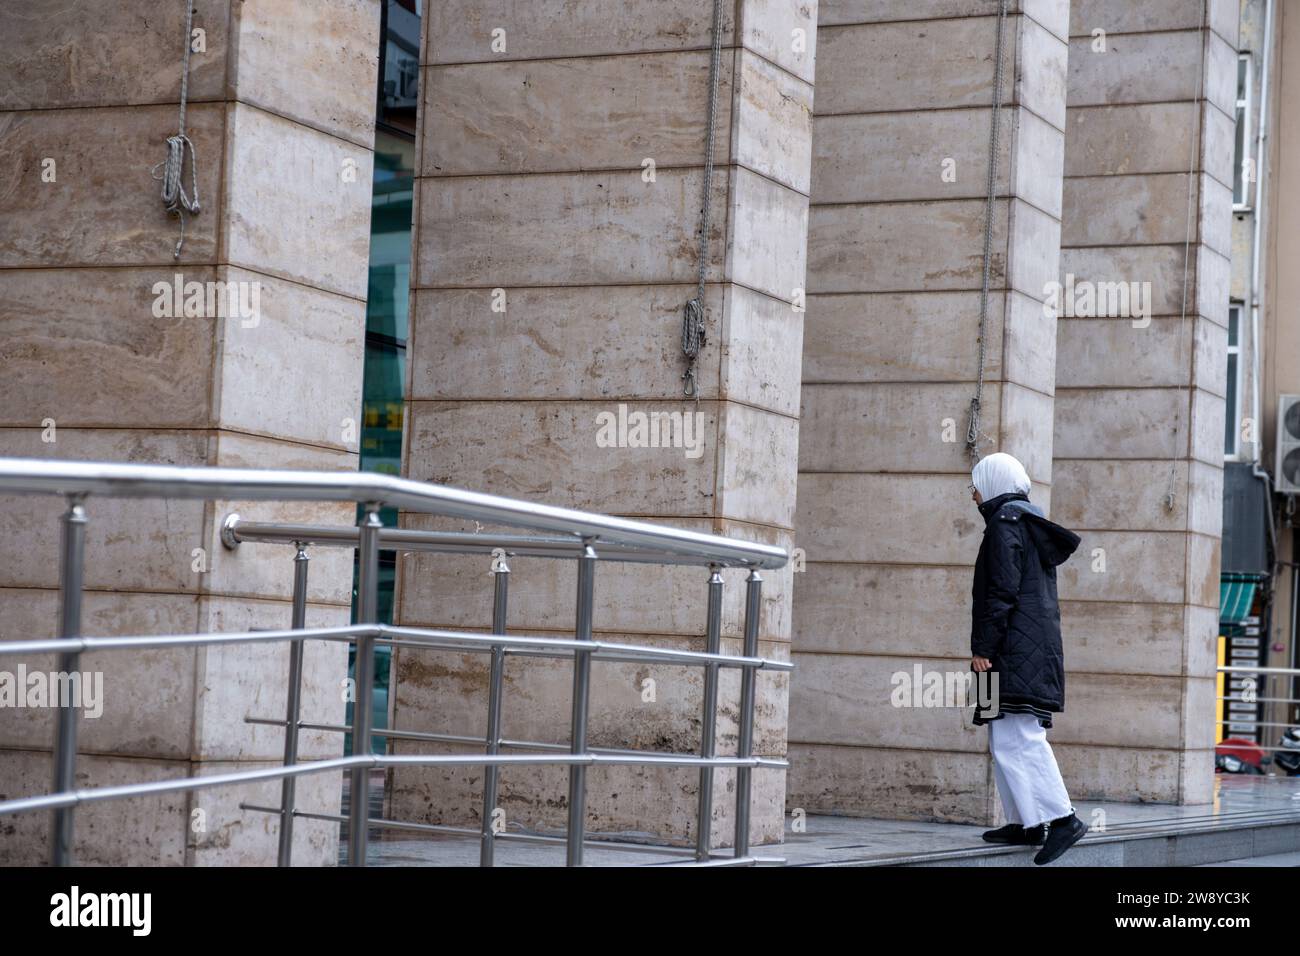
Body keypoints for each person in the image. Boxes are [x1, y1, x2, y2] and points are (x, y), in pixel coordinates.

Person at [968, 451, 1087, 865]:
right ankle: (1027, 821)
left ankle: (1063, 818)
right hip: (1020, 651)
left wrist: (983, 649)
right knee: (1003, 735)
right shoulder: (1023, 523)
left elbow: (1000, 594)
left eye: (977, 484)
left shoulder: (1006, 525)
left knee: (1020, 736)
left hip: (1009, 653)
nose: (973, 494)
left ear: (995, 483)